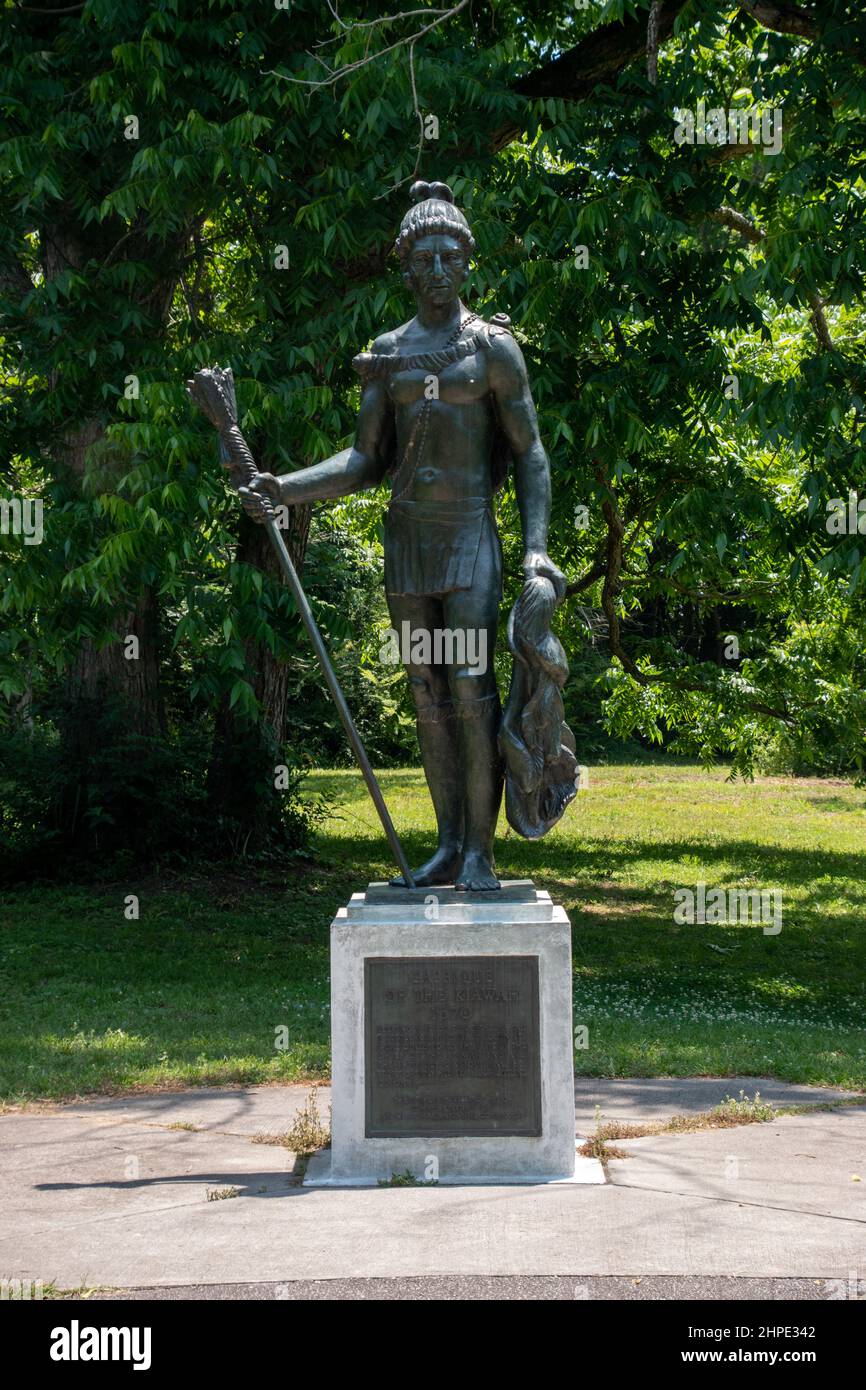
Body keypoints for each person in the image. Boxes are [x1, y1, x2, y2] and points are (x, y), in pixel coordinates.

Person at [241, 181, 566, 891]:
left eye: (450, 254)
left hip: (471, 542)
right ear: (407, 266)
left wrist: (536, 546)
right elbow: (363, 461)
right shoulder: (386, 357)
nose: (439, 267)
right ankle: (449, 845)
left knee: (471, 687)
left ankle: (481, 852)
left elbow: (531, 451)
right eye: (425, 256)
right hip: (409, 551)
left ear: (467, 263)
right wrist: (284, 487)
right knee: (426, 691)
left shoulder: (494, 349)